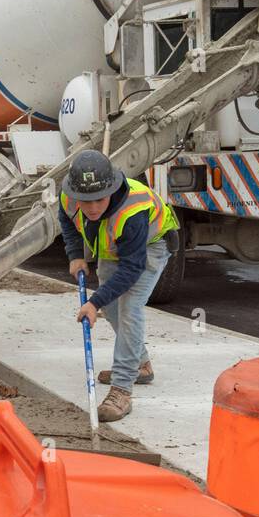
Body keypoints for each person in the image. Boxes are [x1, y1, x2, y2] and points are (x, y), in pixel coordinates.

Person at [59, 150, 180, 423]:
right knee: (112, 309)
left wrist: (93, 303)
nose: (91, 208)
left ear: (112, 189)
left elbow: (131, 268)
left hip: (149, 247)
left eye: (99, 200)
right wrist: (75, 254)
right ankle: (141, 365)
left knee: (129, 309)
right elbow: (66, 220)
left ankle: (122, 390)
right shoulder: (69, 196)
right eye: (85, 200)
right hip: (112, 248)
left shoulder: (133, 210)